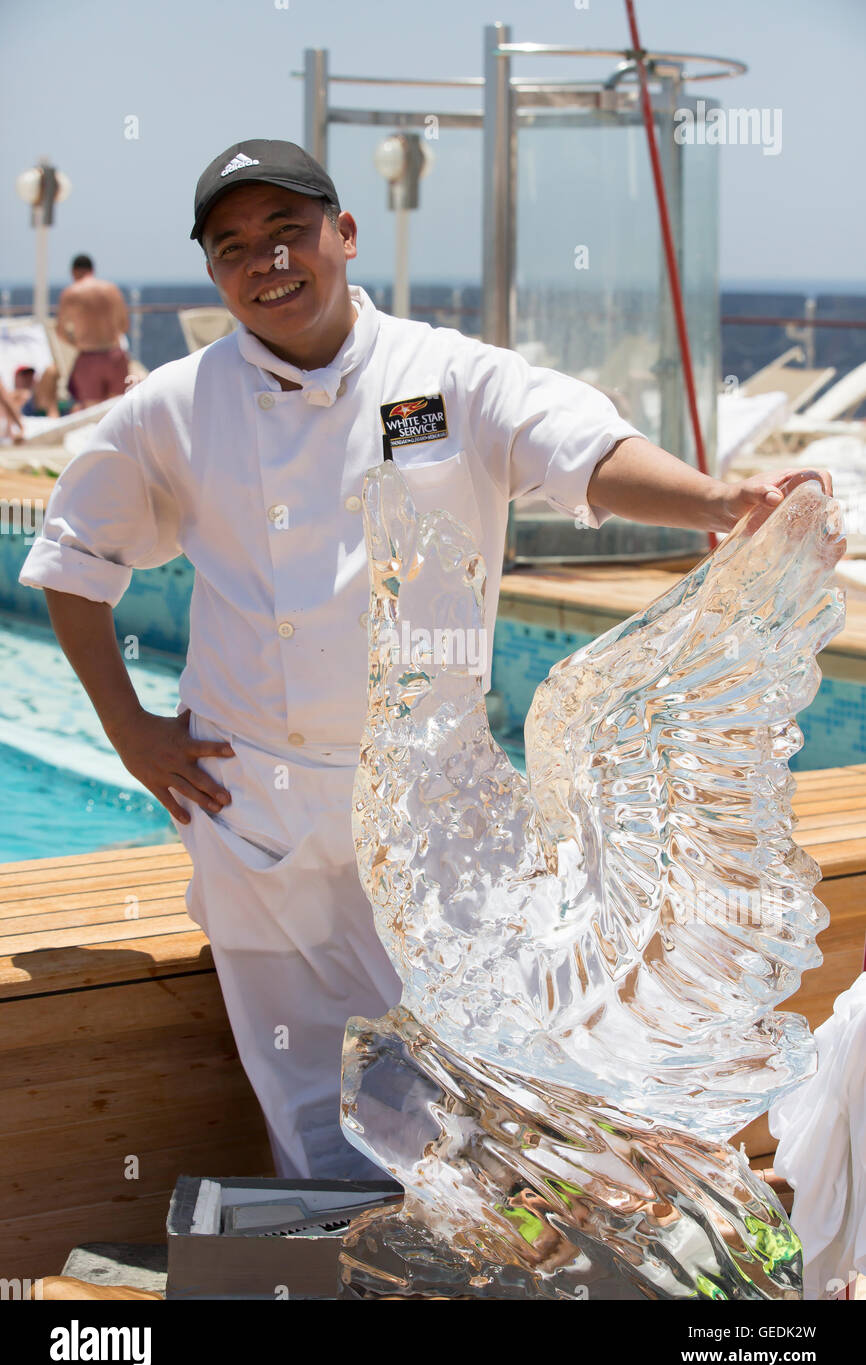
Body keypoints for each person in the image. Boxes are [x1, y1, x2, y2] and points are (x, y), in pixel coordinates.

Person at [19, 139, 833, 1182]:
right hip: (252, 800)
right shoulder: (172, 407)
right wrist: (129, 733)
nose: (265, 262)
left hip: (431, 808)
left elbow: (580, 448)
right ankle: (343, 1264)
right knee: (312, 1095)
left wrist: (720, 504)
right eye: (233, 248)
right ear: (215, 275)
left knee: (487, 1058)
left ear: (344, 236)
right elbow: (71, 561)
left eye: (288, 233)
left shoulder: (448, 375)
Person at [55, 254, 130, 406]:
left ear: (73, 272)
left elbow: (60, 331)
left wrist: (77, 342)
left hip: (88, 357)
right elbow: (124, 325)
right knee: (119, 408)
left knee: (92, 414)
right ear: (92, 270)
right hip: (115, 355)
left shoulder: (70, 293)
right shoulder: (112, 289)